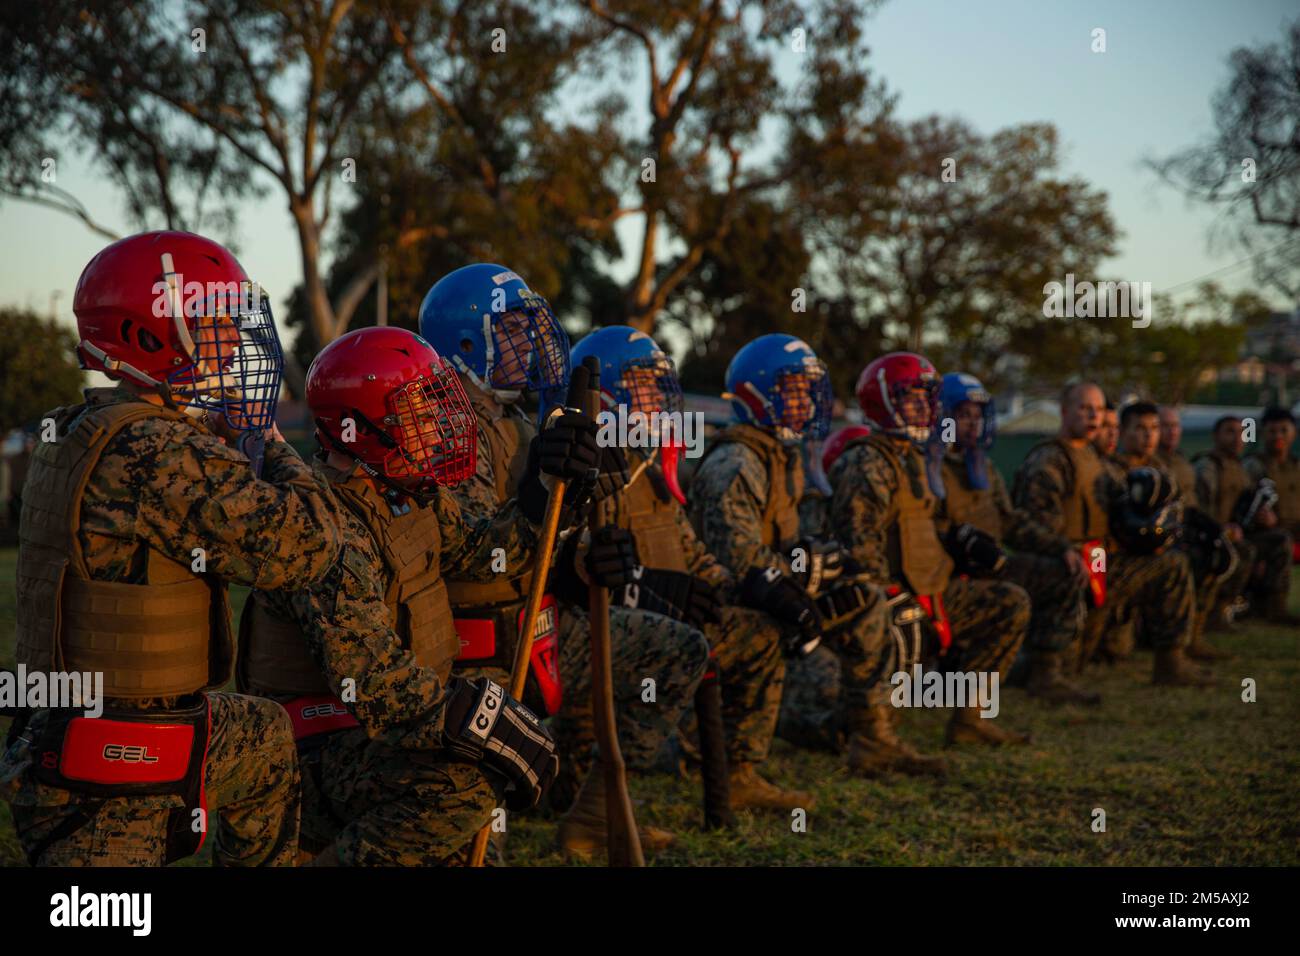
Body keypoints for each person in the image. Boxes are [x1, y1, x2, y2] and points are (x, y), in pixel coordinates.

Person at [0, 230, 343, 865]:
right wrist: (275, 447)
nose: (233, 342)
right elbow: (308, 546)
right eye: (213, 322)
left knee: (266, 737)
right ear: (151, 333)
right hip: (107, 761)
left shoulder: (83, 425)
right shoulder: (158, 450)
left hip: (60, 725)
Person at [240, 326, 566, 865]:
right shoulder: (324, 525)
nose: (438, 430)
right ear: (360, 428)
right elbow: (375, 683)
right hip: (314, 752)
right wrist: (479, 724)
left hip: (376, 733)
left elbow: (486, 557)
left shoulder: (405, 493)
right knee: (464, 782)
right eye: (418, 415)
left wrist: (543, 491)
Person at [419, 264, 708, 858]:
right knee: (476, 843)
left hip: (537, 629)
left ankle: (596, 818)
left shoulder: (520, 422)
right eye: (517, 332)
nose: (534, 347)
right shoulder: (440, 429)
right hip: (467, 655)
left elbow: (547, 546)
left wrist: (583, 562)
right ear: (468, 340)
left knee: (675, 649)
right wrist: (538, 498)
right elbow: (478, 559)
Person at [571, 325, 809, 811]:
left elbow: (693, 552)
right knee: (562, 783)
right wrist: (647, 588)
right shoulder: (584, 466)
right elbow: (573, 568)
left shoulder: (647, 463)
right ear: (608, 390)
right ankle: (618, 783)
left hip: (664, 614)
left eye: (660, 384)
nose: (658, 397)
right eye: (644, 384)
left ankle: (737, 772)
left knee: (761, 632)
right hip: (602, 628)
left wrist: (731, 591)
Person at [691, 336, 946, 778]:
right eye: (793, 389)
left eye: (808, 390)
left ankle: (874, 741)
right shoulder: (737, 461)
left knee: (864, 600)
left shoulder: (778, 455)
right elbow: (739, 563)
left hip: (774, 594)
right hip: (734, 606)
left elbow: (786, 546)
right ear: (756, 393)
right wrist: (799, 571)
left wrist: (815, 561)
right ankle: (738, 765)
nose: (806, 400)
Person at [830, 353, 1031, 748]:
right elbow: (859, 549)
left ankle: (971, 718)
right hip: (889, 600)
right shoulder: (868, 462)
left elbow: (928, 523)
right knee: (840, 729)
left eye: (928, 397)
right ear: (883, 402)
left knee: (1009, 603)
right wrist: (894, 599)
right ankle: (861, 736)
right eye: (911, 397)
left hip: (931, 589)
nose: (925, 406)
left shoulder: (917, 459)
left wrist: (961, 539)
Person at [1012, 382, 1208, 686]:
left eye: (1098, 409)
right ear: (1064, 412)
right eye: (1084, 408)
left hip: (1101, 561)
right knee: (1069, 662)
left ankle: (1171, 661)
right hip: (1066, 564)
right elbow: (1030, 525)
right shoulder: (1050, 459)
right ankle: (1041, 671)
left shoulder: (1098, 461)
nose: (1093, 416)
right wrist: (1066, 549)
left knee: (1171, 564)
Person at [934, 373, 1097, 705]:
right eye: (963, 415)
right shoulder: (929, 468)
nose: (972, 424)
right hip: (947, 576)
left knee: (1062, 572)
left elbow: (1010, 522)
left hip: (993, 563)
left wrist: (1061, 547)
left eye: (977, 416)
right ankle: (963, 688)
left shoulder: (983, 467)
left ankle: (1045, 675)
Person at [1195, 415, 1296, 625]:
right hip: (1212, 535)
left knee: (1279, 540)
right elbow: (1200, 509)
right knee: (1245, 550)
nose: (1237, 438)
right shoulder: (1209, 467)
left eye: (1241, 432)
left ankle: (1273, 608)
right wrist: (1220, 527)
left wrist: (1263, 517)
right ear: (1216, 436)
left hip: (1240, 532)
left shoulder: (1239, 468)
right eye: (1229, 432)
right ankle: (1218, 611)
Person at [1245, 406, 1300, 549]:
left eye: (1284, 430)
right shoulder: (1254, 466)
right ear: (1263, 433)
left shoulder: (1297, 466)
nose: (1278, 436)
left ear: (1294, 433)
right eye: (1272, 431)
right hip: (1269, 534)